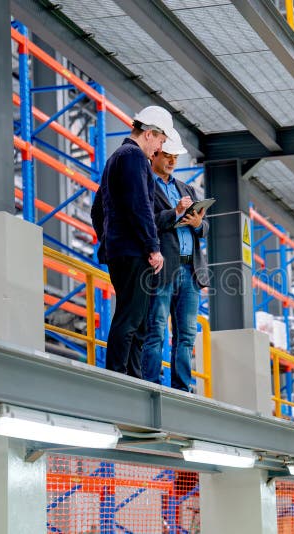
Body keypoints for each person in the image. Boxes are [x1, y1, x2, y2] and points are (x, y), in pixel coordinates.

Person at [91, 105, 178, 378]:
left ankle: (131, 375)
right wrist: (153, 247)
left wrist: (109, 239)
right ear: (150, 134)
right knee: (132, 318)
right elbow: (141, 206)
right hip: (133, 251)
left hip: (120, 250)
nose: (159, 150)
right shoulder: (134, 157)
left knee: (135, 318)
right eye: (161, 142)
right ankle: (120, 375)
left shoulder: (116, 158)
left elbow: (97, 210)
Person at [141, 137, 209, 391]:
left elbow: (205, 229)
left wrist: (198, 224)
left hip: (190, 271)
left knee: (187, 335)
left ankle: (182, 387)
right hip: (163, 269)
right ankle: (151, 384)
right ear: (155, 154)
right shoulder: (146, 186)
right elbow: (147, 221)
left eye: (175, 157)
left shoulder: (186, 189)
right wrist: (176, 214)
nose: (172, 161)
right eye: (167, 155)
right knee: (157, 329)